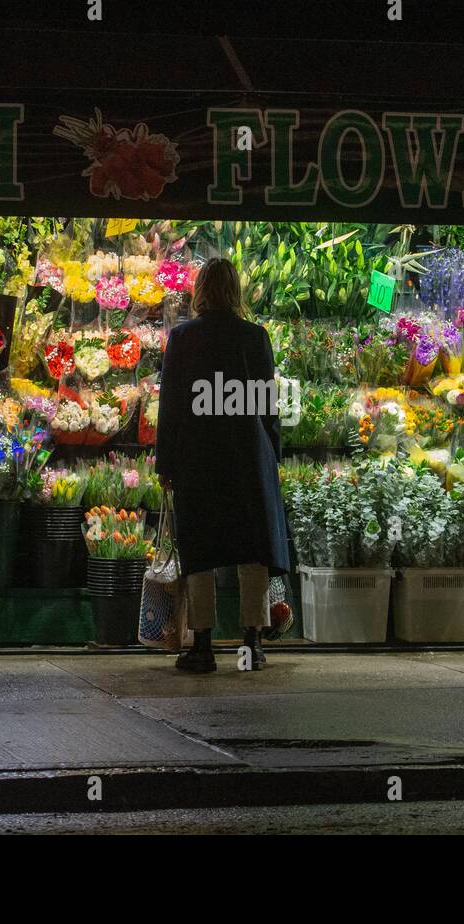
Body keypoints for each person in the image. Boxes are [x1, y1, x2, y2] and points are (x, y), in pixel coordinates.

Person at [155, 258, 290, 673]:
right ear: (235, 291)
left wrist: (166, 462)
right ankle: (252, 643)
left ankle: (203, 645)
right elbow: (269, 404)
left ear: (200, 290)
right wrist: (274, 456)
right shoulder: (255, 338)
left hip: (199, 456)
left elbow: (172, 406)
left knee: (202, 548)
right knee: (252, 549)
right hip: (248, 455)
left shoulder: (182, 338)